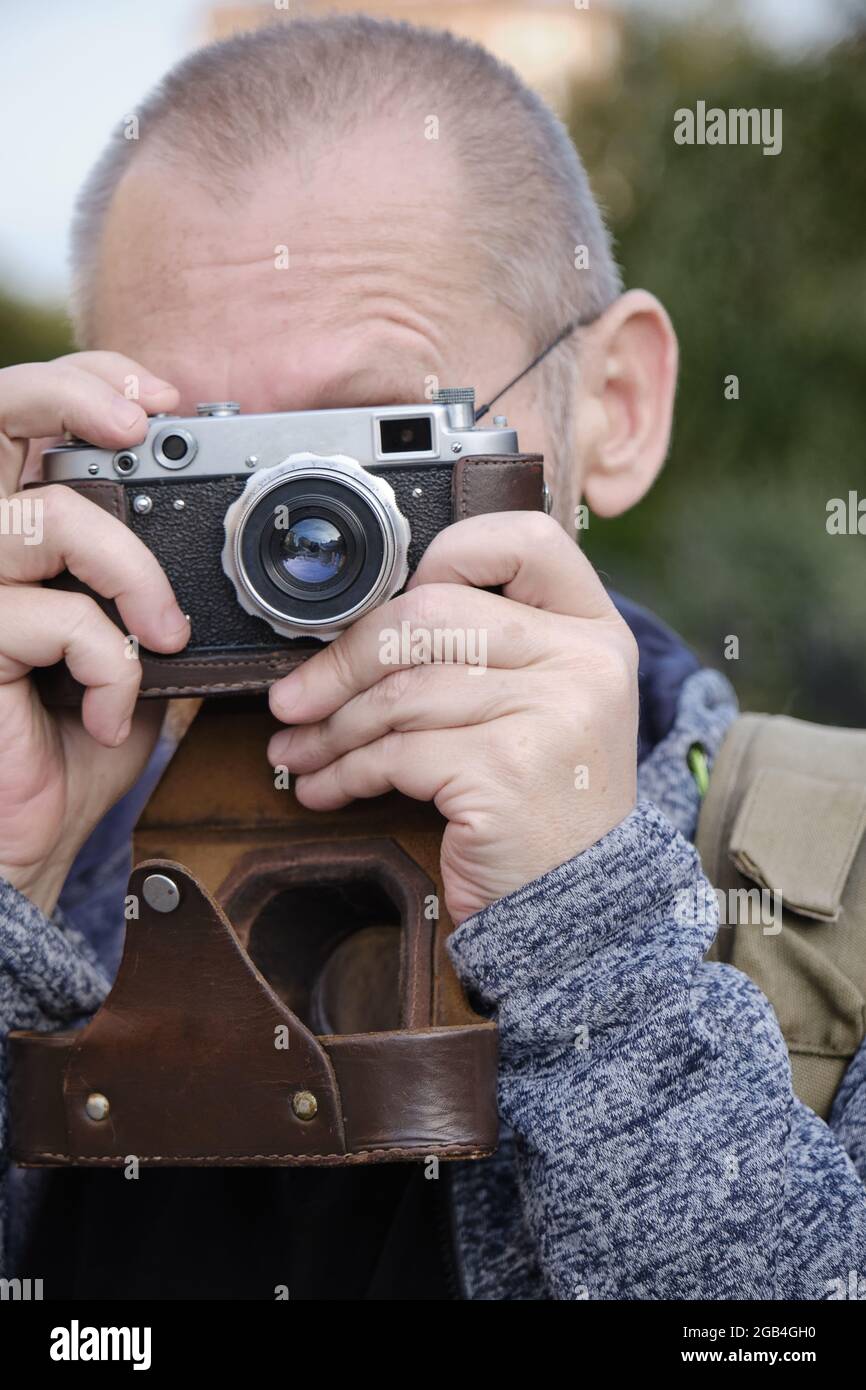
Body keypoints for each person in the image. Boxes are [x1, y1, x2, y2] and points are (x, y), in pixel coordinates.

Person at [1, 15, 864, 1301]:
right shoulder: (50, 885)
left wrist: (589, 944)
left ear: (615, 409)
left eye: (374, 442)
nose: (285, 540)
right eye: (190, 456)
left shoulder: (832, 905)